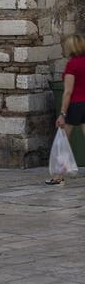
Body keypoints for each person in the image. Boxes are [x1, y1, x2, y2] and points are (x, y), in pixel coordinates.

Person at [46, 32, 85, 185]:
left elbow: (68, 91)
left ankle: (58, 177)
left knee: (63, 142)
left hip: (75, 105)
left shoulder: (72, 64)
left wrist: (62, 113)